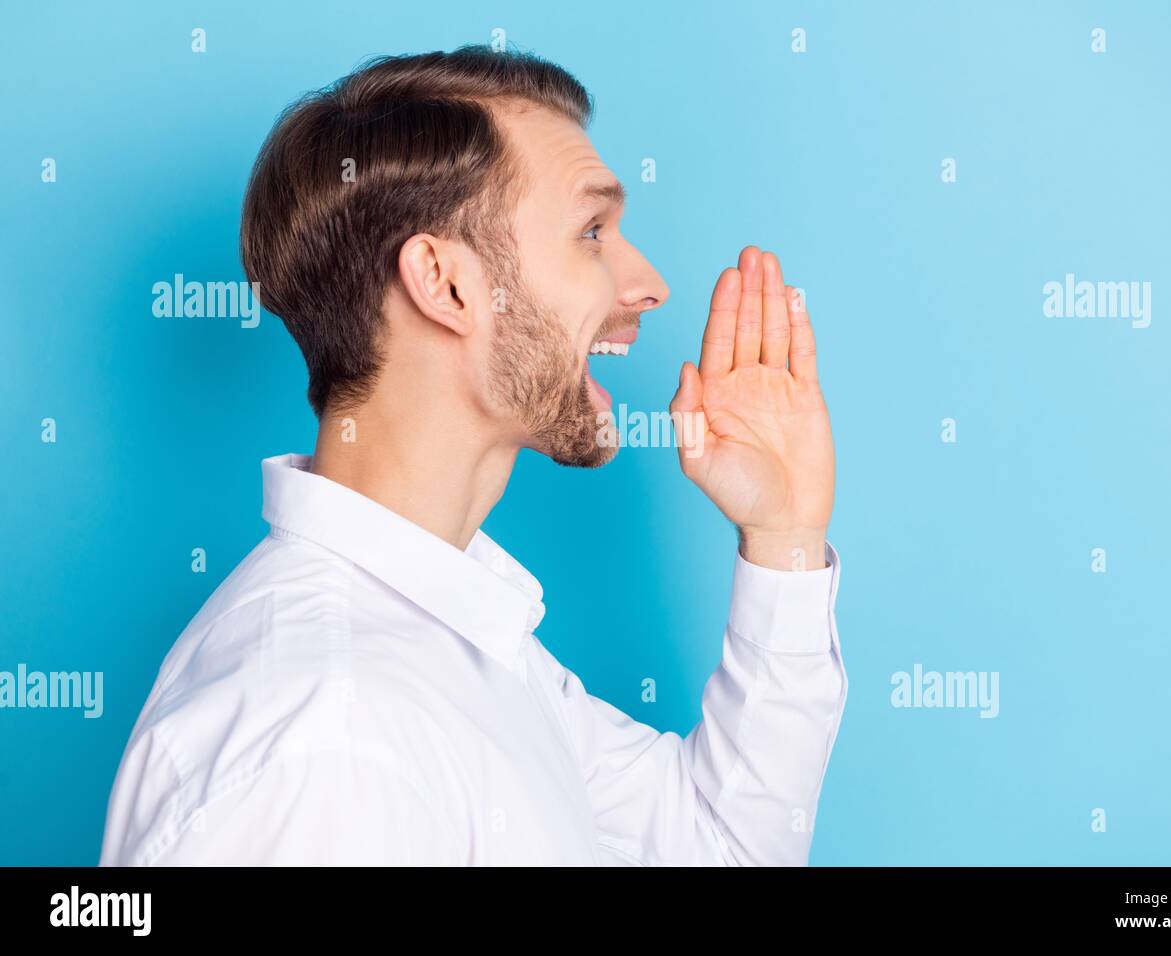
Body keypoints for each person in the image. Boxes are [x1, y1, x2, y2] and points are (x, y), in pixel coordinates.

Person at [99, 45, 847, 866]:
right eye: (591, 231)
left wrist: (783, 537)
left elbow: (717, 846)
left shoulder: (453, 640)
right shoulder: (326, 733)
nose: (647, 284)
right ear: (445, 284)